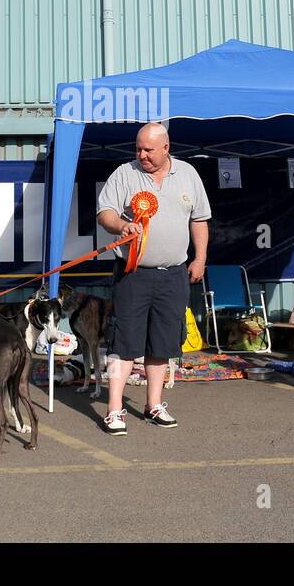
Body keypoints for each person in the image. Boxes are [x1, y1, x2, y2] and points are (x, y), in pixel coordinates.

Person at [96, 123, 210, 435]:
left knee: (162, 343)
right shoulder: (124, 173)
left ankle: (153, 404)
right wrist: (121, 225)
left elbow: (199, 219)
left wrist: (199, 258)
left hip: (173, 274)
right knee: (124, 341)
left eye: (148, 150)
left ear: (166, 148)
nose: (141, 155)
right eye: (138, 148)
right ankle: (114, 410)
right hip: (133, 274)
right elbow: (104, 212)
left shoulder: (188, 174)